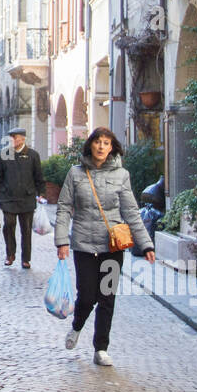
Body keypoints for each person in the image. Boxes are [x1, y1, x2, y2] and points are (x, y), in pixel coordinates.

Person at [53, 127, 155, 367]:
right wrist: (61, 241)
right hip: (84, 245)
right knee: (87, 297)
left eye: (106, 142)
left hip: (112, 246)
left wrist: (146, 243)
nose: (101, 146)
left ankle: (101, 348)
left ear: (112, 147)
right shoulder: (76, 174)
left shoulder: (122, 175)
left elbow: (131, 211)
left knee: (107, 298)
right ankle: (77, 327)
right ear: (90, 145)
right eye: (97, 142)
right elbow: (64, 207)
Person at [0, 126, 45, 268]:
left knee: (26, 229)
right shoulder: (4, 154)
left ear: (23, 139)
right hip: (8, 197)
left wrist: (41, 193)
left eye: (14, 137)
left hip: (27, 198)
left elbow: (39, 176)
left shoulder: (32, 155)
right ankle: (10, 254)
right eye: (11, 137)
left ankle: (25, 259)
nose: (12, 140)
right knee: (8, 225)